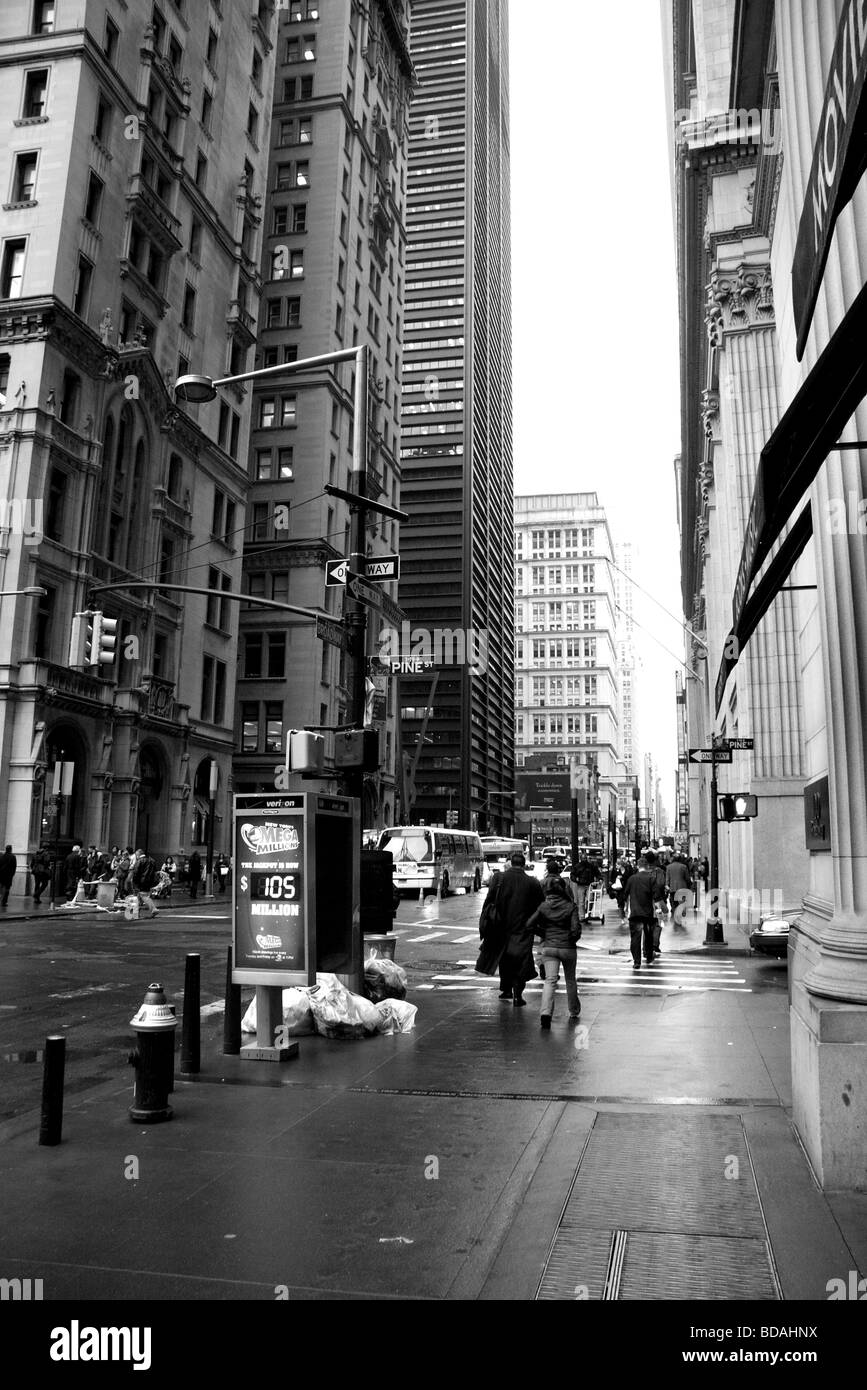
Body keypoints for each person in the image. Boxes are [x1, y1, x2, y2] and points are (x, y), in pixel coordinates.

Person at [527, 876, 582, 1029]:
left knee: (550, 980)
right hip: (567, 948)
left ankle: (545, 1013)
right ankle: (573, 1010)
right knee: (570, 979)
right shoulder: (571, 906)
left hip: (549, 947)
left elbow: (529, 924)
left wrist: (543, 933)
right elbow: (575, 929)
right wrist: (572, 939)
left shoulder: (544, 906)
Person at [494, 853, 544, 1005]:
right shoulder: (532, 882)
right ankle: (517, 994)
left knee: (505, 960)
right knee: (521, 961)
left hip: (502, 928)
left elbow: (490, 902)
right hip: (523, 928)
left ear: (510, 863)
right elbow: (540, 906)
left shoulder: (499, 879)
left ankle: (506, 989)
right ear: (524, 864)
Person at [626, 855, 667, 969]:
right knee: (648, 936)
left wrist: (625, 910)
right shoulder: (651, 878)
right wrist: (661, 911)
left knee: (635, 937)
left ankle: (636, 961)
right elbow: (657, 896)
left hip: (634, 912)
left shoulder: (631, 879)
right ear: (647, 866)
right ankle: (649, 956)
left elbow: (625, 894)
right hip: (648, 913)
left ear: (638, 866)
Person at [645, 850, 668, 957]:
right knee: (658, 923)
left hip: (645, 901)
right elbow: (661, 884)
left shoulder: (642, 871)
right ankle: (654, 944)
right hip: (657, 900)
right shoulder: (659, 871)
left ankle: (646, 946)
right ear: (655, 860)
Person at [666, 853, 694, 932]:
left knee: (674, 904)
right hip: (682, 888)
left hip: (673, 889)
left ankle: (676, 917)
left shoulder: (668, 867)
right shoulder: (683, 867)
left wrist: (667, 887)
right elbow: (687, 878)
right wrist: (689, 886)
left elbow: (667, 880)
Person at [130, 849, 158, 919]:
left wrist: (134, 882)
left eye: (136, 855)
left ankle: (154, 909)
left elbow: (136, 872)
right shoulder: (151, 861)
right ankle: (135, 913)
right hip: (149, 881)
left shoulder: (140, 861)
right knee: (138, 897)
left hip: (141, 882)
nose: (136, 856)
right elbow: (155, 872)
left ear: (138, 854)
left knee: (143, 896)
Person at [571, 853, 597, 923]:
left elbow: (597, 872)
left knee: (590, 899)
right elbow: (572, 875)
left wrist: (576, 879)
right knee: (582, 901)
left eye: (585, 858)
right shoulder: (578, 866)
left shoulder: (590, 866)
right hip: (582, 885)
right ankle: (583, 916)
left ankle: (586, 914)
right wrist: (576, 879)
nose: (584, 860)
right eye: (583, 858)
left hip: (588, 884)